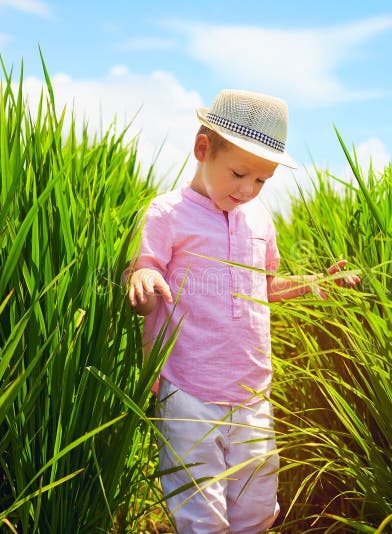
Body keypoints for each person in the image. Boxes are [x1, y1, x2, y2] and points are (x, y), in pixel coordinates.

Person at [126, 89, 360, 533]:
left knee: (257, 510)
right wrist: (144, 281)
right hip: (189, 390)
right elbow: (147, 268)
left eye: (261, 181)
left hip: (253, 389)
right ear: (202, 150)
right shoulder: (168, 214)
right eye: (239, 174)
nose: (248, 190)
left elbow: (264, 286)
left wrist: (314, 284)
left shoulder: (259, 220)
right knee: (201, 515)